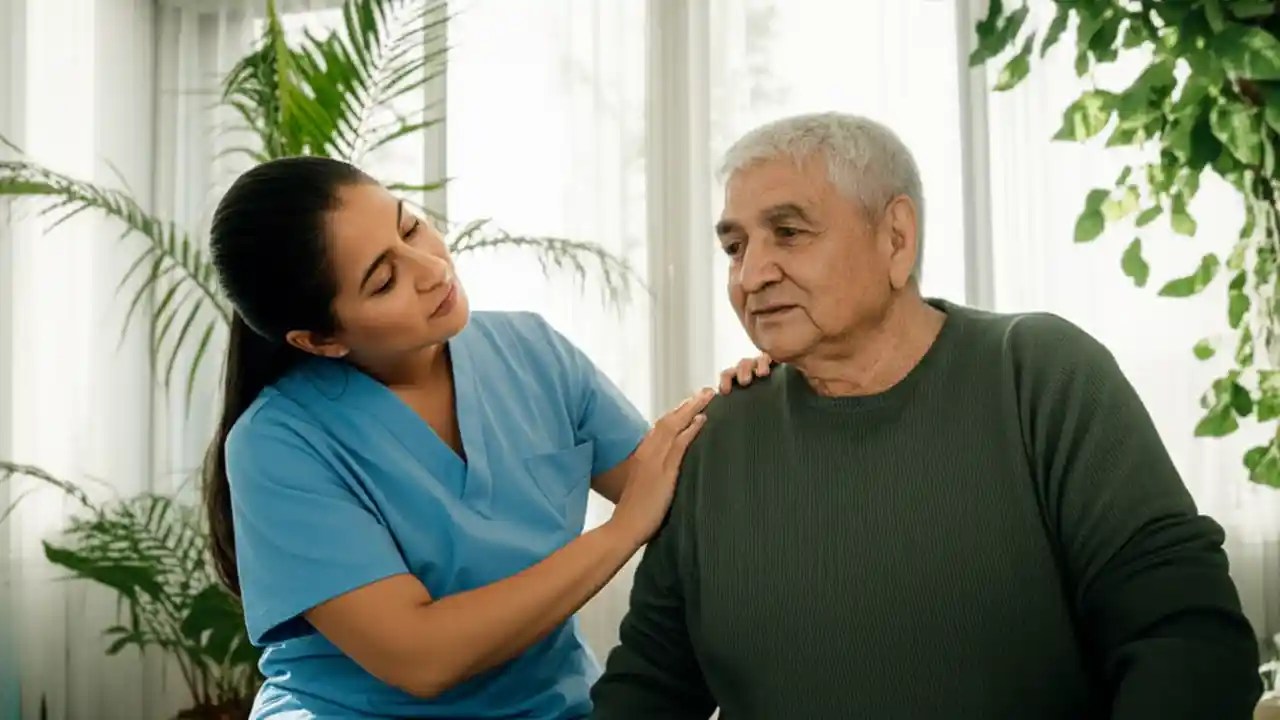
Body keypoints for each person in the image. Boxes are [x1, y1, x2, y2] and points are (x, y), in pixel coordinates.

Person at [590, 112, 1263, 719]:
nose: (750, 275)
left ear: (896, 238)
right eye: (736, 247)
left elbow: (1188, 643)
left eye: (788, 233)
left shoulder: (1040, 375)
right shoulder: (718, 438)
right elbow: (649, 686)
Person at [202, 156, 772, 719]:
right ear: (321, 340)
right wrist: (621, 532)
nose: (431, 268)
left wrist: (767, 397)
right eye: (384, 281)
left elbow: (686, 499)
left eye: (410, 227)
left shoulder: (532, 352)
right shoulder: (278, 443)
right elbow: (421, 657)